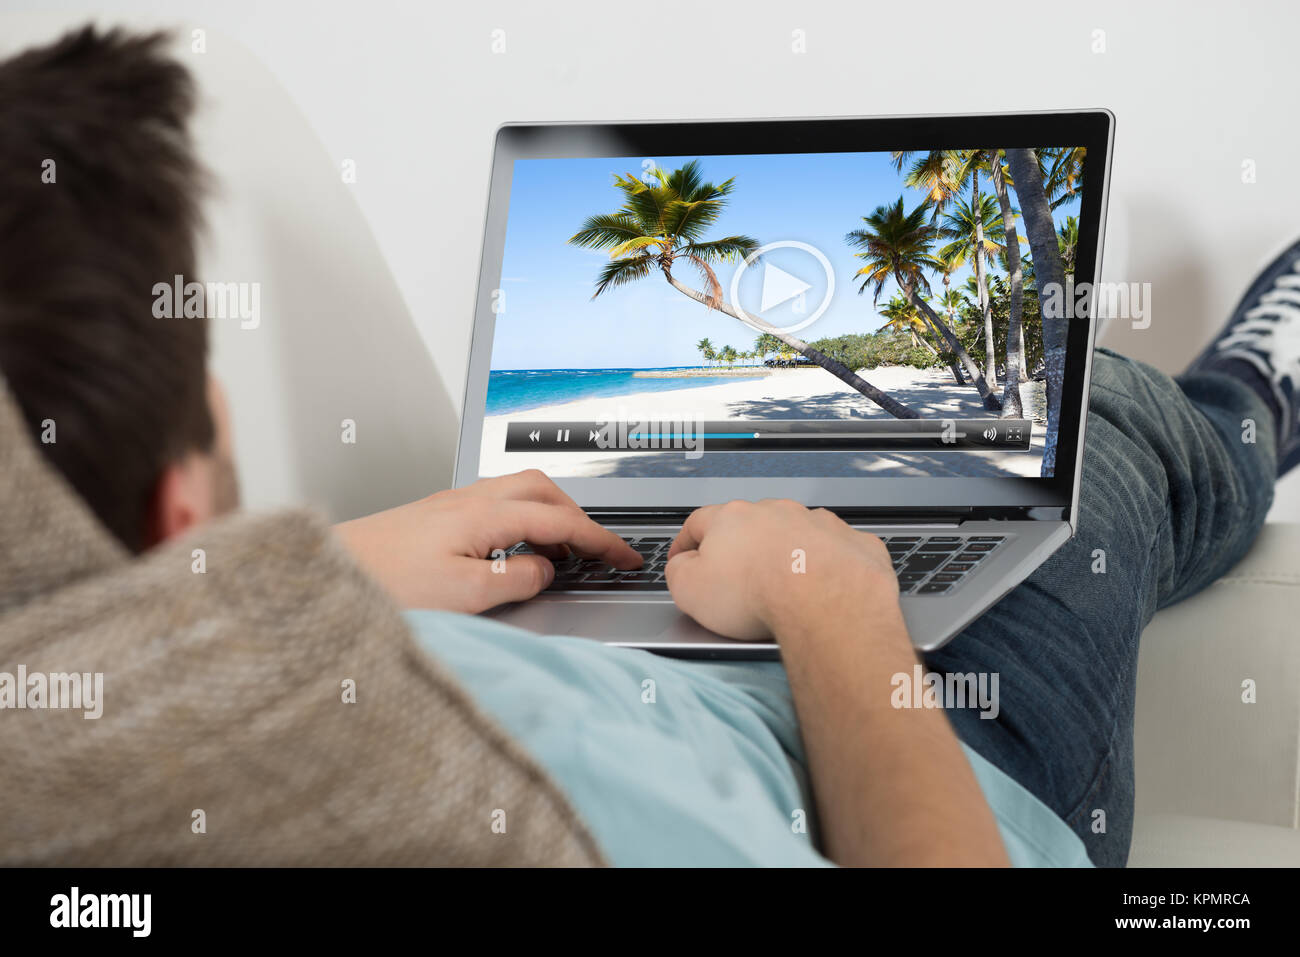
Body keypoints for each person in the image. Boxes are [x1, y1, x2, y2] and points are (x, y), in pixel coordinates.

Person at [0, 26, 1290, 867]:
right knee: (1107, 423)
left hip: (582, 628)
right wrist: (825, 601)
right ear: (179, 505)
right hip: (915, 743)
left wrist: (327, 574)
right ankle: (1253, 393)